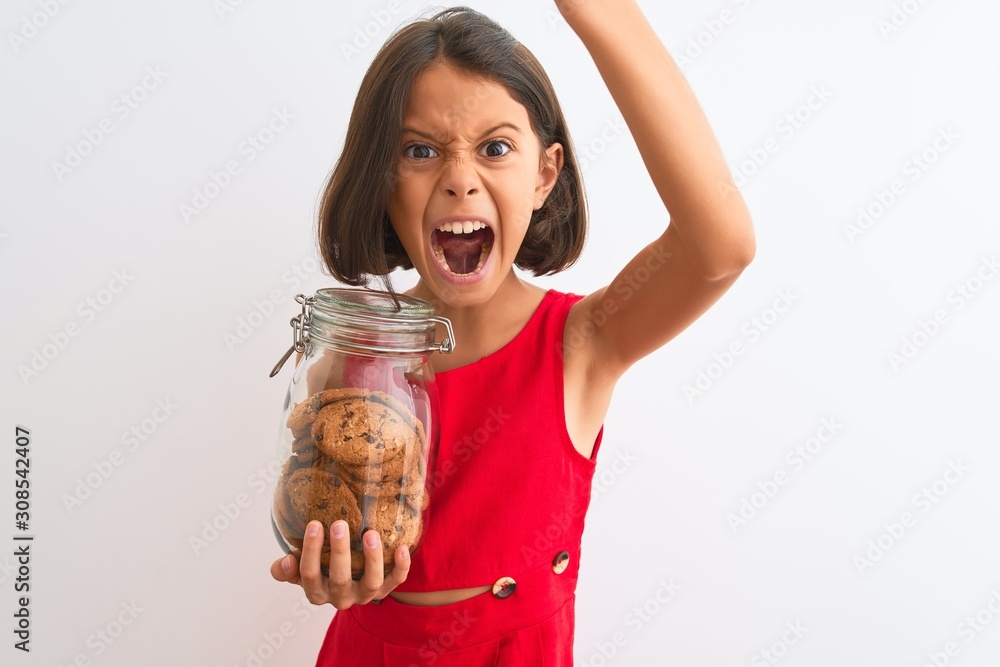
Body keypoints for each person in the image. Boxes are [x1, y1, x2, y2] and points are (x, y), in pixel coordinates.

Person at [270, 2, 755, 664]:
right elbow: (330, 527)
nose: (460, 179)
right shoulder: (356, 351)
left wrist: (601, 13)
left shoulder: (582, 342)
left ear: (544, 175)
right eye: (419, 150)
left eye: (495, 147)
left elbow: (719, 246)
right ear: (384, 180)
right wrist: (339, 566)